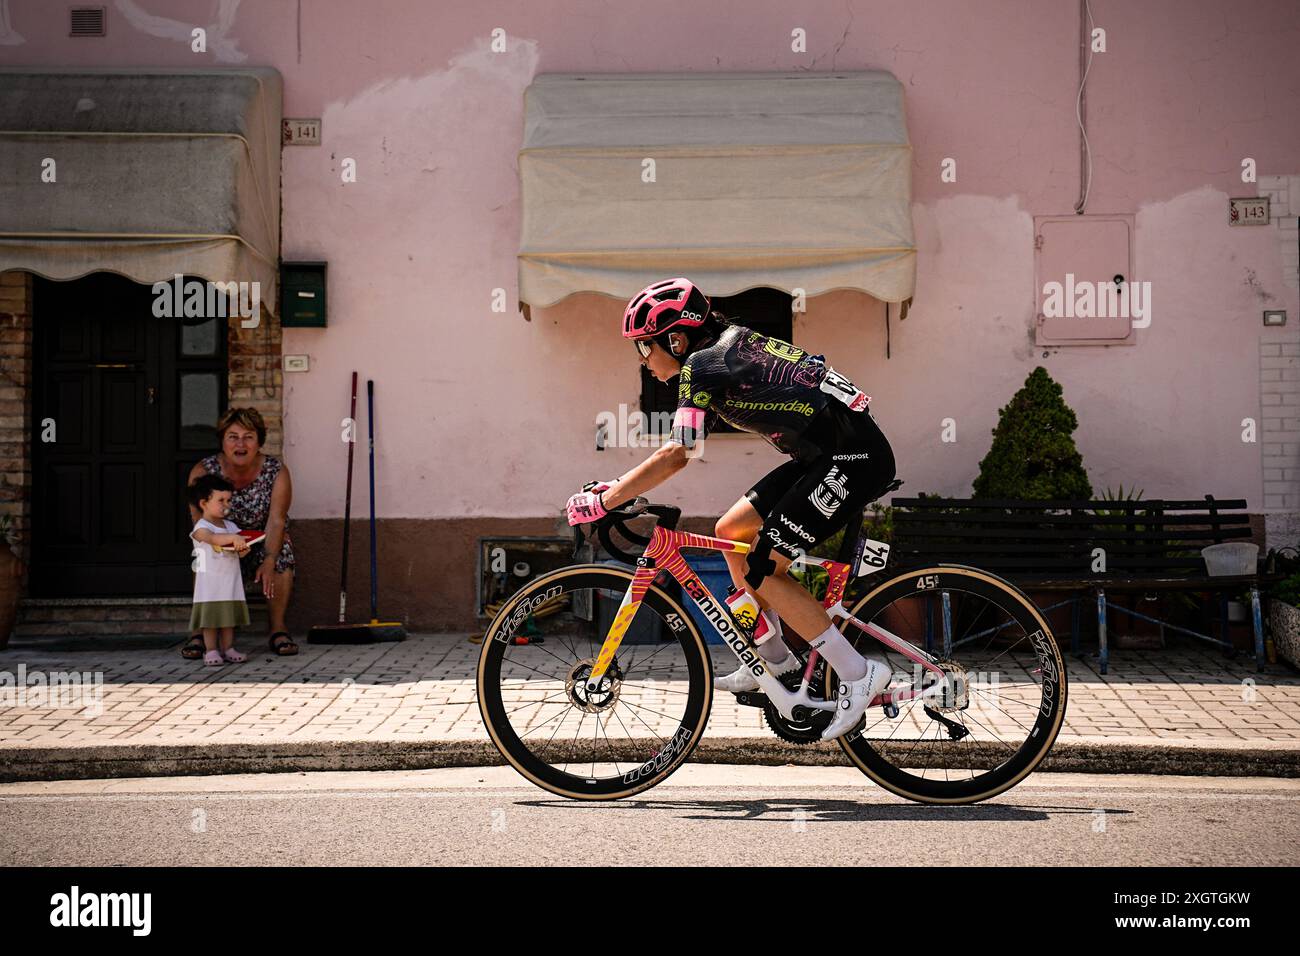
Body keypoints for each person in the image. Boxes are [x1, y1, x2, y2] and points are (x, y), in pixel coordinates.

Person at [565, 277, 895, 741]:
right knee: (732, 530)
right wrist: (617, 487)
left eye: (644, 348)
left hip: (851, 461)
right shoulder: (723, 351)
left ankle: (859, 673)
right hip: (825, 456)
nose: (643, 361)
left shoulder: (703, 365)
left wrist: (605, 500)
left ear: (675, 338)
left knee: (764, 570)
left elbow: (679, 453)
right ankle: (775, 660)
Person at [180, 407, 299, 657]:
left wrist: (268, 559)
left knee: (283, 552)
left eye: (248, 436)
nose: (240, 443)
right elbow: (199, 523)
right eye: (233, 436)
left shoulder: (275, 472)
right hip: (219, 545)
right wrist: (221, 545)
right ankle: (201, 634)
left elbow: (277, 521)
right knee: (202, 557)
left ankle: (278, 629)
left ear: (259, 441)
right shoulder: (204, 472)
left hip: (257, 545)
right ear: (223, 441)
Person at [187, 474, 251, 666]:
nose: (226, 504)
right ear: (204, 503)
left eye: (229, 500)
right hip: (210, 585)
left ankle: (229, 648)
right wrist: (234, 538)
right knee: (211, 620)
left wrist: (243, 548)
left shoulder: (231, 526)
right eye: (220, 500)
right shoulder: (201, 527)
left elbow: (240, 550)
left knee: (228, 618)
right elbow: (214, 539)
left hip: (230, 582)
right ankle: (211, 650)